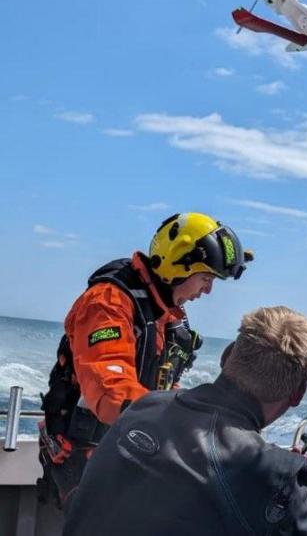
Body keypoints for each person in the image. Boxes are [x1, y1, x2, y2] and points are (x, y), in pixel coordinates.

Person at [37, 212, 252, 506]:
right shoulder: (108, 303)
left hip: (130, 446)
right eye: (205, 278)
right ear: (178, 265)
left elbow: (163, 384)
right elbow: (110, 390)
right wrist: (180, 424)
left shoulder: (167, 316)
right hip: (85, 454)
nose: (208, 290)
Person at [63, 306, 307, 536]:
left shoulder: (144, 405)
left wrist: (280, 468)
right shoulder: (276, 474)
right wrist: (289, 481)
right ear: (298, 394)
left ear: (226, 356)